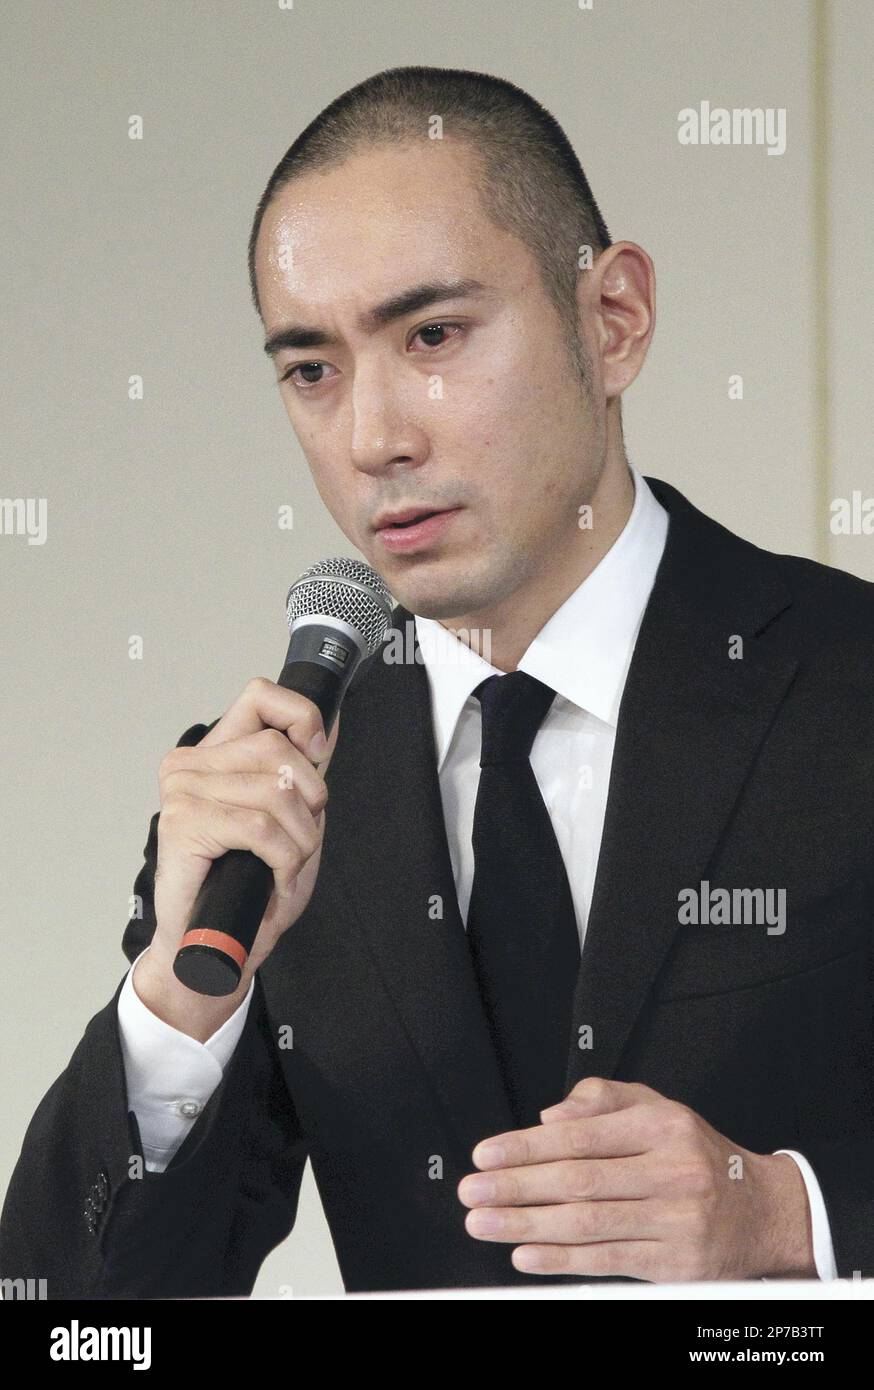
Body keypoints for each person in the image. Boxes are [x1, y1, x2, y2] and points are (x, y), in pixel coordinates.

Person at [2, 65, 873, 1298]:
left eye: (432, 336)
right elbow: (85, 1318)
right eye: (312, 369)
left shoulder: (848, 689)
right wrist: (173, 1006)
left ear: (612, 318)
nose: (373, 438)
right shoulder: (274, 798)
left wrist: (798, 1218)